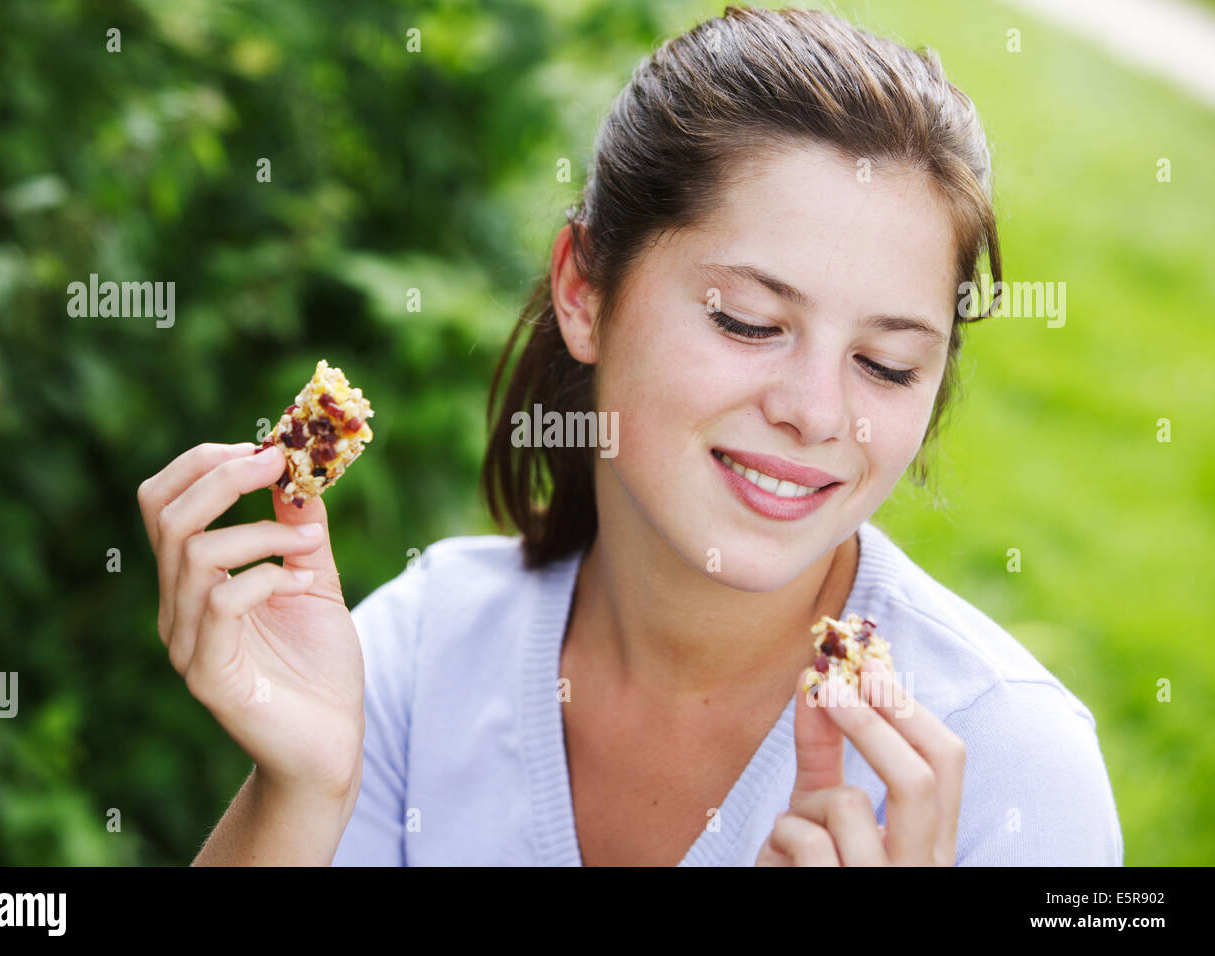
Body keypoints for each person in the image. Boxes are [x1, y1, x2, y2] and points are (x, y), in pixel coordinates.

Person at [137, 5, 1123, 866]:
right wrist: (300, 792)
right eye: (745, 320)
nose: (817, 412)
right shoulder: (419, 649)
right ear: (584, 290)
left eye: (888, 364)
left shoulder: (1014, 769)